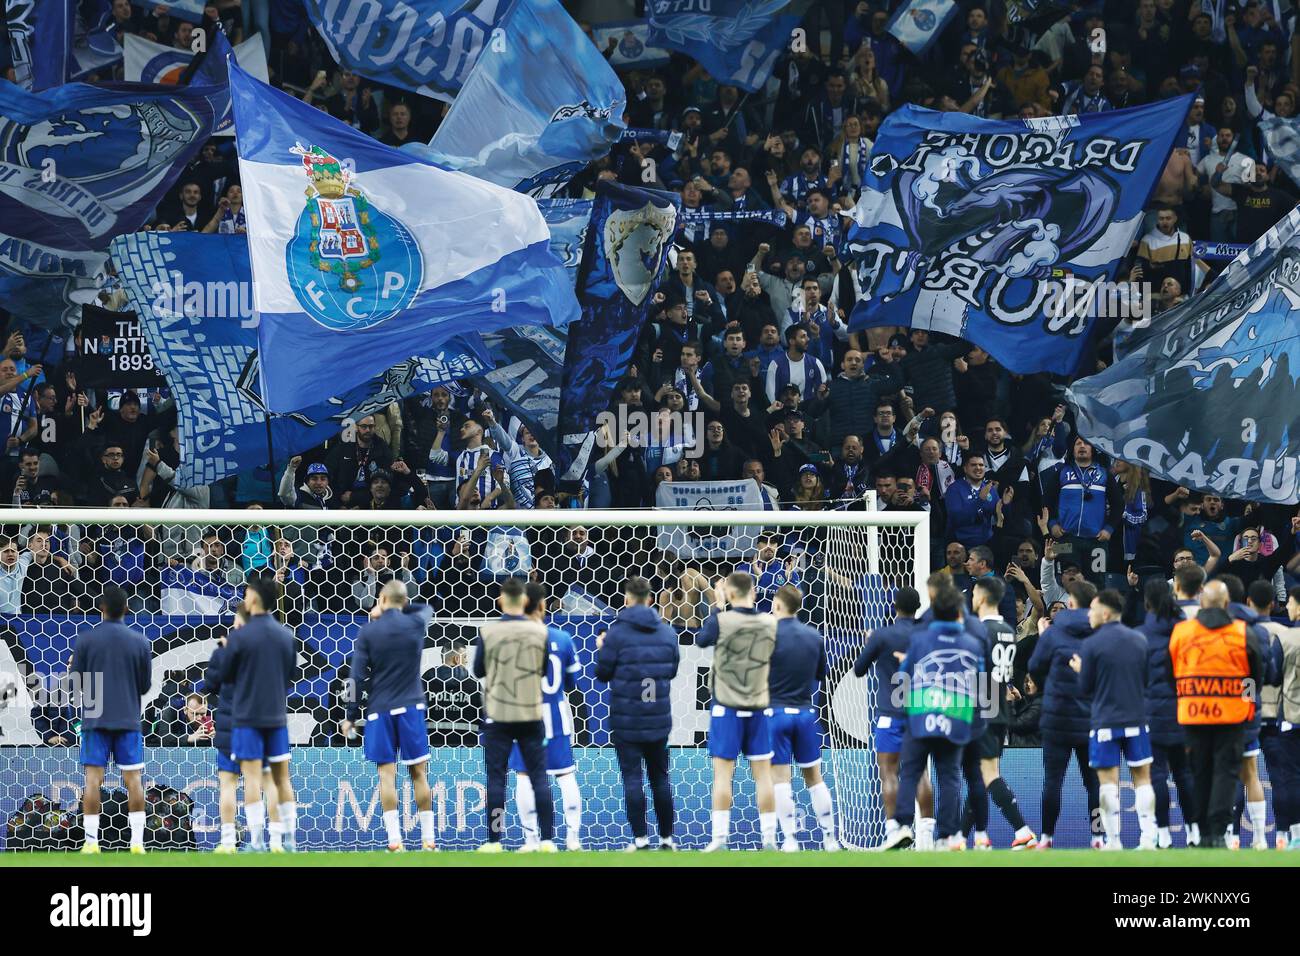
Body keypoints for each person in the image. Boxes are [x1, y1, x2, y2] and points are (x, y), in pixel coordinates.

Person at [880, 587, 986, 850]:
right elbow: (980, 683)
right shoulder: (973, 645)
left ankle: (902, 826)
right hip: (956, 714)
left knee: (911, 771)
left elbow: (903, 675)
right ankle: (946, 836)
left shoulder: (920, 641)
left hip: (922, 713)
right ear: (960, 613)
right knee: (949, 776)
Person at [341, 580, 437, 852]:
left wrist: (350, 714)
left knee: (386, 775)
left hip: (380, 709)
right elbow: (426, 607)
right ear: (404, 601)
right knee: (419, 774)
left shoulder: (368, 633)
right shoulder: (415, 624)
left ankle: (395, 841)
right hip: (411, 707)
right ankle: (428, 841)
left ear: (380, 599)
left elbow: (355, 678)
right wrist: (396, 606)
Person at [1169, 580, 1265, 848]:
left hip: (1193, 714)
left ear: (1201, 602)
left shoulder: (1181, 632)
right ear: (1226, 603)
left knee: (1199, 772)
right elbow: (1254, 676)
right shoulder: (1242, 632)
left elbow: (1171, 673)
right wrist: (1246, 704)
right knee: (1225, 773)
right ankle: (1218, 832)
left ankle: (1201, 833)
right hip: (1231, 717)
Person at [595, 576, 681, 851]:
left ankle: (641, 841)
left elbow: (602, 674)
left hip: (626, 720)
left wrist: (602, 648)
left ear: (626, 599)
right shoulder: (668, 633)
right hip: (658, 719)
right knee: (661, 777)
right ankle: (667, 840)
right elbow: (672, 670)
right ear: (651, 599)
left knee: (632, 778)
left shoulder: (617, 633)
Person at [696, 570, 779, 851]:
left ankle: (719, 840)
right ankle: (769, 840)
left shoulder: (721, 620)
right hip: (758, 707)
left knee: (722, 775)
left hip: (727, 708)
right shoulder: (770, 623)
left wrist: (718, 604)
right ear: (753, 593)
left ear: (730, 593)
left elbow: (701, 639)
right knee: (764, 776)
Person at [1069, 589, 1157, 850]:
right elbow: (1146, 681)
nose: (1089, 615)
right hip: (1136, 719)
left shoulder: (1091, 644)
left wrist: (1080, 670)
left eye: (1093, 609)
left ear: (1105, 613)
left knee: (1108, 783)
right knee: (1143, 779)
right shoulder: (1140, 639)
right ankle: (1148, 839)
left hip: (1105, 721)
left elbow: (1085, 688)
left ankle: (1114, 841)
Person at [473, 577, 554, 852]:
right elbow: (543, 669)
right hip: (531, 712)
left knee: (497, 779)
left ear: (500, 600)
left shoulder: (487, 632)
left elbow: (478, 671)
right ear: (526, 601)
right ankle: (547, 841)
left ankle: (494, 841)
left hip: (498, 714)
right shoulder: (541, 633)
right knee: (539, 776)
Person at [219, 577, 299, 852]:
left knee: (253, 780)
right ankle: (285, 841)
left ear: (254, 598)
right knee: (279, 779)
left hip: (247, 718)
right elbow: (292, 676)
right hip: (276, 717)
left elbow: (224, 675)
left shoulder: (239, 637)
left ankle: (256, 842)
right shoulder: (285, 635)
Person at [854, 586, 935, 849]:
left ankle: (895, 829)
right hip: (920, 713)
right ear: (918, 606)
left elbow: (858, 670)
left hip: (890, 713)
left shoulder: (883, 635)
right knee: (921, 772)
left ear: (894, 606)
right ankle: (925, 836)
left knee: (889, 772)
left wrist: (873, 644)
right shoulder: (928, 635)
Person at [72, 585, 151, 854]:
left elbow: (77, 683)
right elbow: (144, 685)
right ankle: (137, 844)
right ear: (127, 609)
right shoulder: (140, 641)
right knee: (134, 781)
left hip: (95, 719)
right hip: (128, 718)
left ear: (100, 608)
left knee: (93, 781)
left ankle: (91, 843)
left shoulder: (85, 640)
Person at [507, 582, 583, 851]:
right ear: (542, 605)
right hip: (556, 717)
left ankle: (531, 841)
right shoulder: (562, 639)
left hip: (524, 718)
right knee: (565, 776)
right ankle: (572, 839)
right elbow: (572, 683)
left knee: (524, 778)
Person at [1028, 580, 1102, 849]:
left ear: (1070, 603)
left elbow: (1034, 666)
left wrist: (1048, 687)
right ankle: (1098, 838)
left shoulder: (1053, 632)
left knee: (1053, 780)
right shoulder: (1101, 632)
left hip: (1057, 716)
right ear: (1094, 604)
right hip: (1092, 718)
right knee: (1094, 782)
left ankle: (1047, 837)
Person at [206, 607, 284, 854]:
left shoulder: (227, 651)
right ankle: (274, 842)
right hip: (262, 725)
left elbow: (208, 685)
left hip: (231, 726)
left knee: (228, 785)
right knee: (267, 783)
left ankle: (228, 842)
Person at [768, 584, 839, 852]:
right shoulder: (814, 637)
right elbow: (821, 674)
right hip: (805, 713)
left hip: (775, 713)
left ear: (777, 604)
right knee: (815, 778)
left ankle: (789, 840)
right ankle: (830, 839)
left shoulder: (769, 634)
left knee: (781, 779)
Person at [970, 577, 1038, 849]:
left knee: (987, 774)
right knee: (983, 774)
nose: (972, 597)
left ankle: (1021, 830)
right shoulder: (1008, 630)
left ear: (983, 597)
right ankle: (976, 837)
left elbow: (971, 669)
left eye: (975, 592)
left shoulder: (977, 630)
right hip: (999, 705)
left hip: (982, 706)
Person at [1139, 578, 1199, 849]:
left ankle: (1163, 834)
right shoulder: (1186, 629)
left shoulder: (1141, 635)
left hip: (1152, 712)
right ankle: (1194, 832)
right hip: (1185, 710)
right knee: (1185, 774)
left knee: (1158, 775)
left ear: (1147, 602)